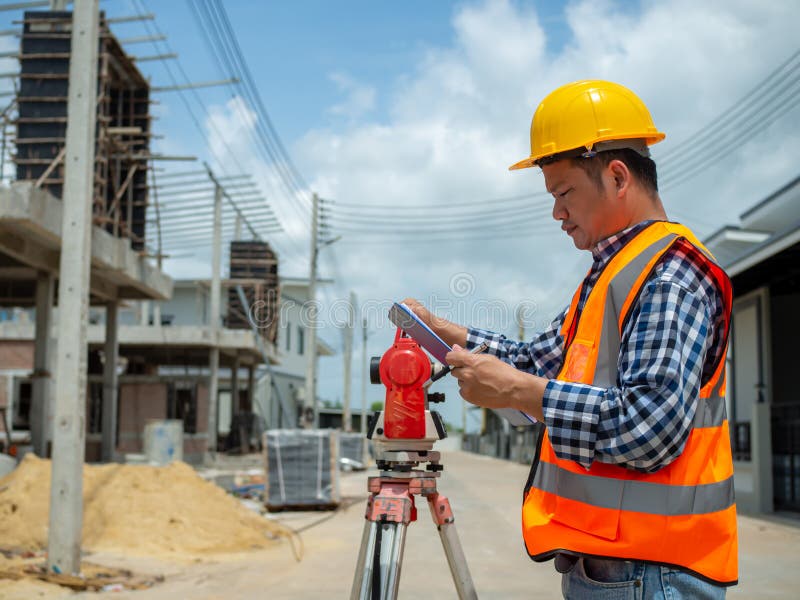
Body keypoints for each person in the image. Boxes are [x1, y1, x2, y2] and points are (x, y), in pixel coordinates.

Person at [403, 80, 737, 599]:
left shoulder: (670, 275)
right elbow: (534, 360)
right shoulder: (611, 276)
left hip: (653, 571)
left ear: (617, 176)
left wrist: (517, 392)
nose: (556, 213)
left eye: (563, 194)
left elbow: (649, 427)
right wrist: (447, 333)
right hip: (615, 566)